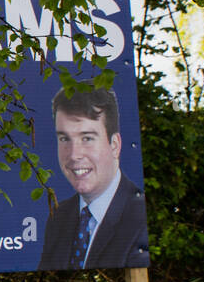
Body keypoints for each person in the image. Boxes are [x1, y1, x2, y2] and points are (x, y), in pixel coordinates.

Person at [38, 85, 149, 270]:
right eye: (64, 139)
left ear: (114, 145)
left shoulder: (140, 218)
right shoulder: (59, 217)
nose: (74, 155)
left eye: (87, 138)